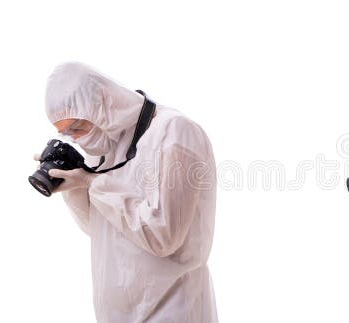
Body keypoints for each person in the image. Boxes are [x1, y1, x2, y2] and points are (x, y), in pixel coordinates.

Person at [38, 62, 218, 322]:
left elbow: (163, 236)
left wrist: (92, 183)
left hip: (173, 311)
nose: (75, 139)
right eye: (67, 134)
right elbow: (101, 229)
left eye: (77, 127)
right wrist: (73, 187)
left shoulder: (174, 133)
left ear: (102, 104)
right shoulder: (111, 146)